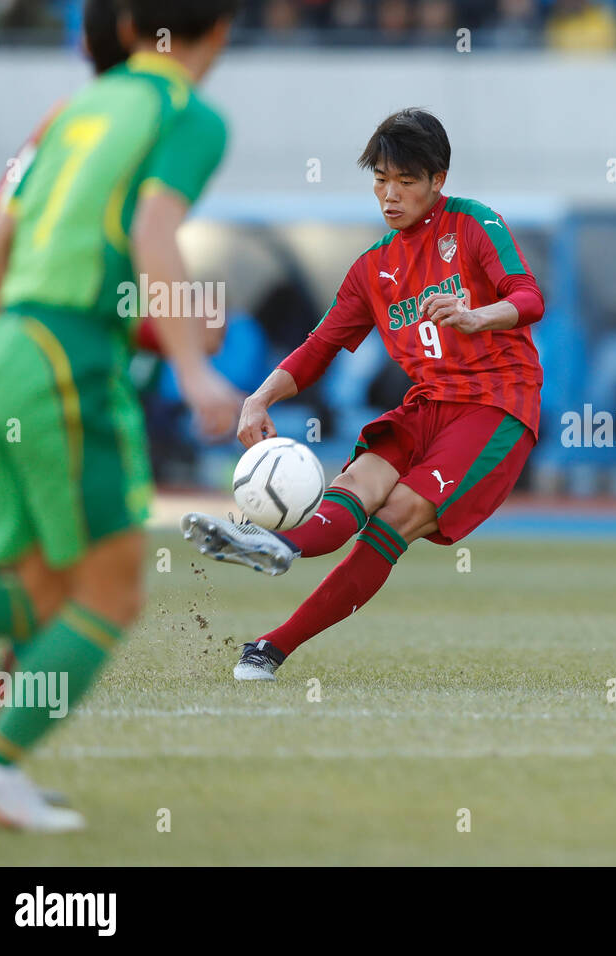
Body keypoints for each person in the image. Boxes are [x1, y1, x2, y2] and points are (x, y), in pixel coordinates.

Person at [0, 0, 243, 831]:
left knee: (40, 589)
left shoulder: (73, 108)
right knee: (112, 590)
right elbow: (152, 229)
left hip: (4, 347)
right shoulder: (188, 114)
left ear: (124, 30)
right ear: (220, 33)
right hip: (66, 356)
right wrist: (194, 369)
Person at [179, 109, 545, 682]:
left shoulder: (474, 224)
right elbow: (320, 345)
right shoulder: (373, 268)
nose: (390, 194)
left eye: (405, 180)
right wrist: (257, 399)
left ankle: (271, 645)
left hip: (496, 405)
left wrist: (478, 317)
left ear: (437, 181)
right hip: (427, 403)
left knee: (395, 515)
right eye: (381, 179)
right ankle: (275, 545)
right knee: (356, 484)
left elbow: (528, 297)